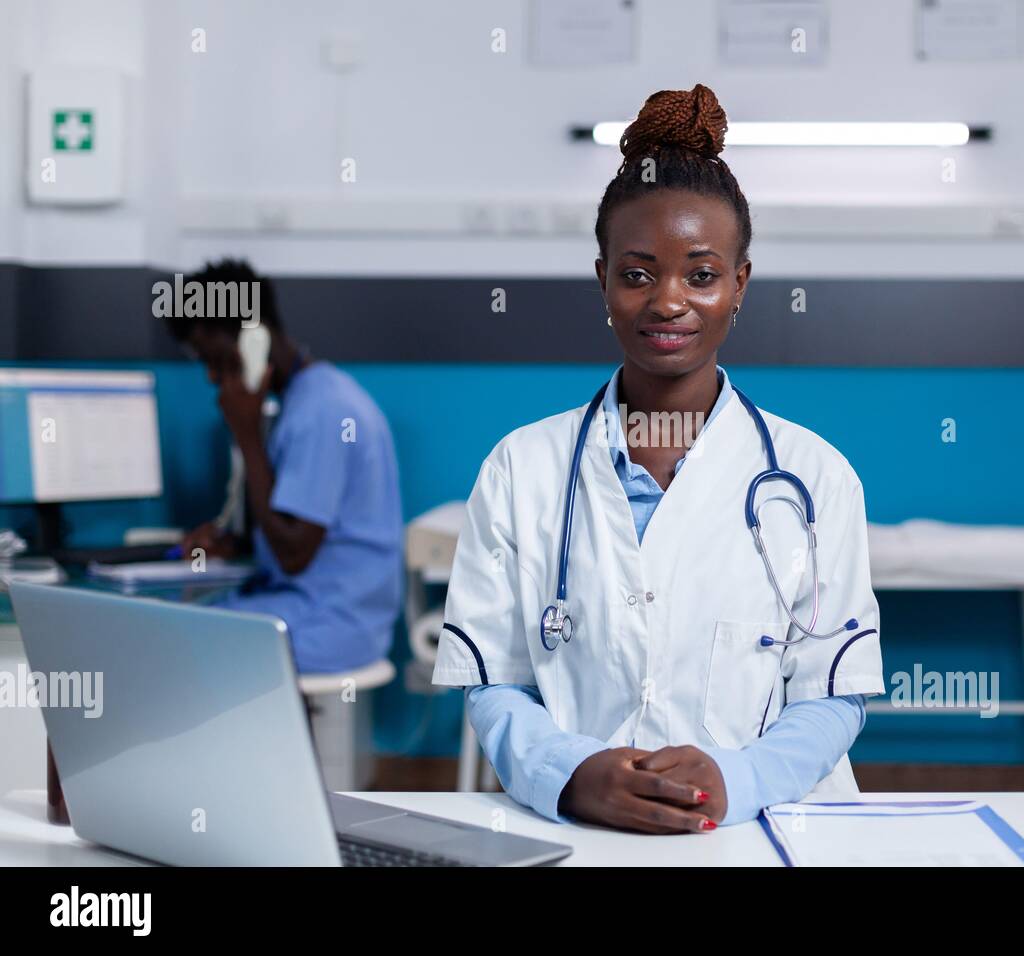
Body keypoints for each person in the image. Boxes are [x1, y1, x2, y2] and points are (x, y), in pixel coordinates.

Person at [432, 85, 883, 833]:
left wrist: (738, 778)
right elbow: (492, 680)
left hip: (763, 829)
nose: (668, 300)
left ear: (739, 285)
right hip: (579, 831)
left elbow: (835, 692)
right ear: (603, 281)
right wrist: (569, 773)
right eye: (637, 274)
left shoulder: (814, 478)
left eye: (701, 275)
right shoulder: (521, 468)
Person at [164, 258, 403, 674]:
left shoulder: (322, 411)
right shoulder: (308, 398)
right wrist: (236, 544)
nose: (209, 376)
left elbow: (294, 554)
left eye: (213, 358)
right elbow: (306, 531)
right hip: (324, 608)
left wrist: (247, 434)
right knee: (170, 630)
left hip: (332, 623)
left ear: (252, 338)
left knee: (158, 646)